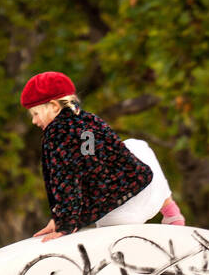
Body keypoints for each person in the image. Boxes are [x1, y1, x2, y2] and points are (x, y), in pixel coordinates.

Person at [22, 71, 185, 243]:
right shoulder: (90, 120)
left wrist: (64, 224)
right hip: (150, 193)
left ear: (55, 106)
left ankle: (166, 211)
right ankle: (171, 211)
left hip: (117, 218)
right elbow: (92, 160)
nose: (34, 121)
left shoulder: (57, 135)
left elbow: (66, 179)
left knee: (78, 176)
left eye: (36, 114)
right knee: (135, 145)